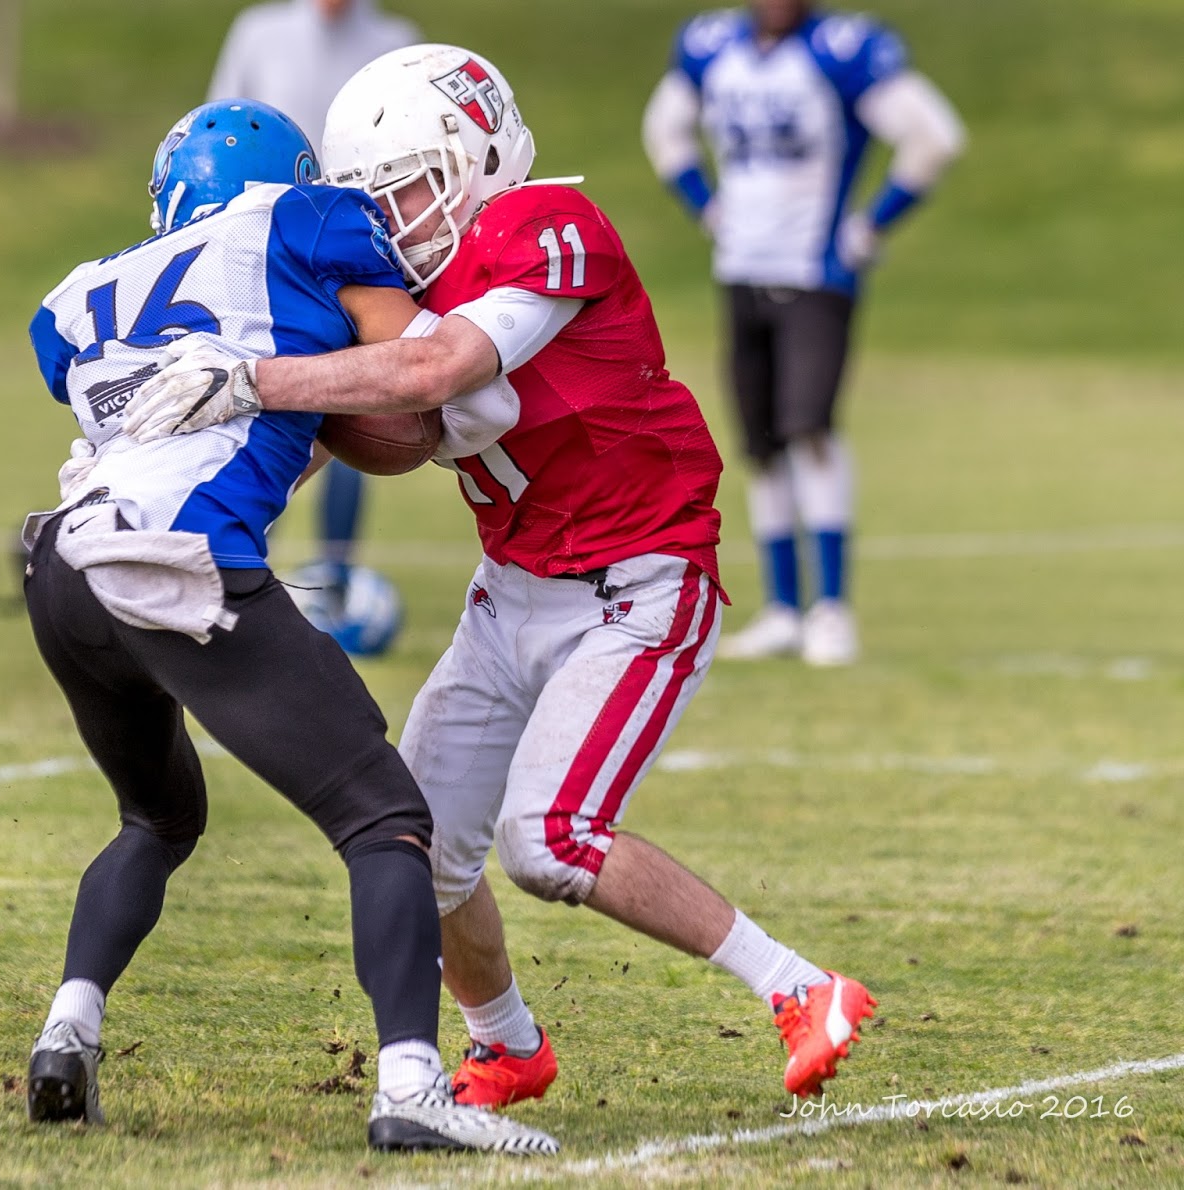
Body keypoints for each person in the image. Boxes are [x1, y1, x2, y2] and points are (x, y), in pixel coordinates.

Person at [127, 44, 876, 1106]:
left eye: (416, 189)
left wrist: (248, 378)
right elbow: (378, 430)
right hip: (512, 584)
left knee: (548, 838)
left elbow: (437, 372)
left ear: (481, 151)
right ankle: (508, 1042)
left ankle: (803, 986)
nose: (403, 222)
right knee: (412, 836)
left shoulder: (541, 223)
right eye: (380, 204)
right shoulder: (406, 286)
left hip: (639, 578)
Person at [19, 97, 555, 1155]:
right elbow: (424, 390)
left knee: (157, 817)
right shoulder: (305, 222)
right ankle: (410, 1081)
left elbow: (205, 410)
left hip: (59, 559)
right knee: (386, 817)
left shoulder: (78, 296)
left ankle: (64, 1034)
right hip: (174, 561)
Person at [642, 0, 964, 666]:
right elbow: (664, 129)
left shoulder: (841, 49)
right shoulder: (713, 45)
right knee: (759, 443)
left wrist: (871, 226)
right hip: (742, 269)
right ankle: (784, 608)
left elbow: (934, 135)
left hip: (816, 272)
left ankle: (831, 610)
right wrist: (707, 208)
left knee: (809, 429)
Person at [207, 0, 420, 648]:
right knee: (250, 406)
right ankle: (225, 567)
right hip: (261, 258)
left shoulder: (396, 39)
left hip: (352, 255)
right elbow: (217, 134)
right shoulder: (259, 30)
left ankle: (335, 580)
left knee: (357, 412)